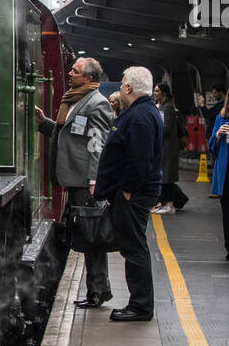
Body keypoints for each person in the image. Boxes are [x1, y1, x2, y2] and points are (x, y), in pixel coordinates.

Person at [35, 56, 113, 307]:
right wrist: (43, 122)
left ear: (88, 78)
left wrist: (94, 179)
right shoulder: (75, 98)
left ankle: (98, 291)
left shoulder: (97, 103)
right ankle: (97, 289)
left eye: (75, 71)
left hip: (84, 179)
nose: (69, 73)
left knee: (92, 236)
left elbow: (96, 145)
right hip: (73, 176)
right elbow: (67, 134)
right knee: (87, 234)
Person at [93, 66, 163, 321]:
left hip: (134, 194)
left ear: (129, 88)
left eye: (122, 84)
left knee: (134, 249)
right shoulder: (140, 112)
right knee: (133, 248)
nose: (120, 87)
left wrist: (128, 191)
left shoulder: (140, 116)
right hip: (133, 192)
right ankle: (139, 302)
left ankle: (141, 305)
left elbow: (140, 159)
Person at [152, 84, 189, 215]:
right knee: (164, 178)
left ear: (164, 93)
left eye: (157, 91)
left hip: (168, 148)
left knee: (166, 178)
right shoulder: (162, 106)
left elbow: (167, 128)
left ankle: (169, 204)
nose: (154, 93)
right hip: (163, 147)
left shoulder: (168, 108)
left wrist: (154, 124)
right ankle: (163, 203)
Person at [208, 89, 229, 260]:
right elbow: (211, 145)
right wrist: (218, 135)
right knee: (226, 210)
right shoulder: (221, 117)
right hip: (225, 170)